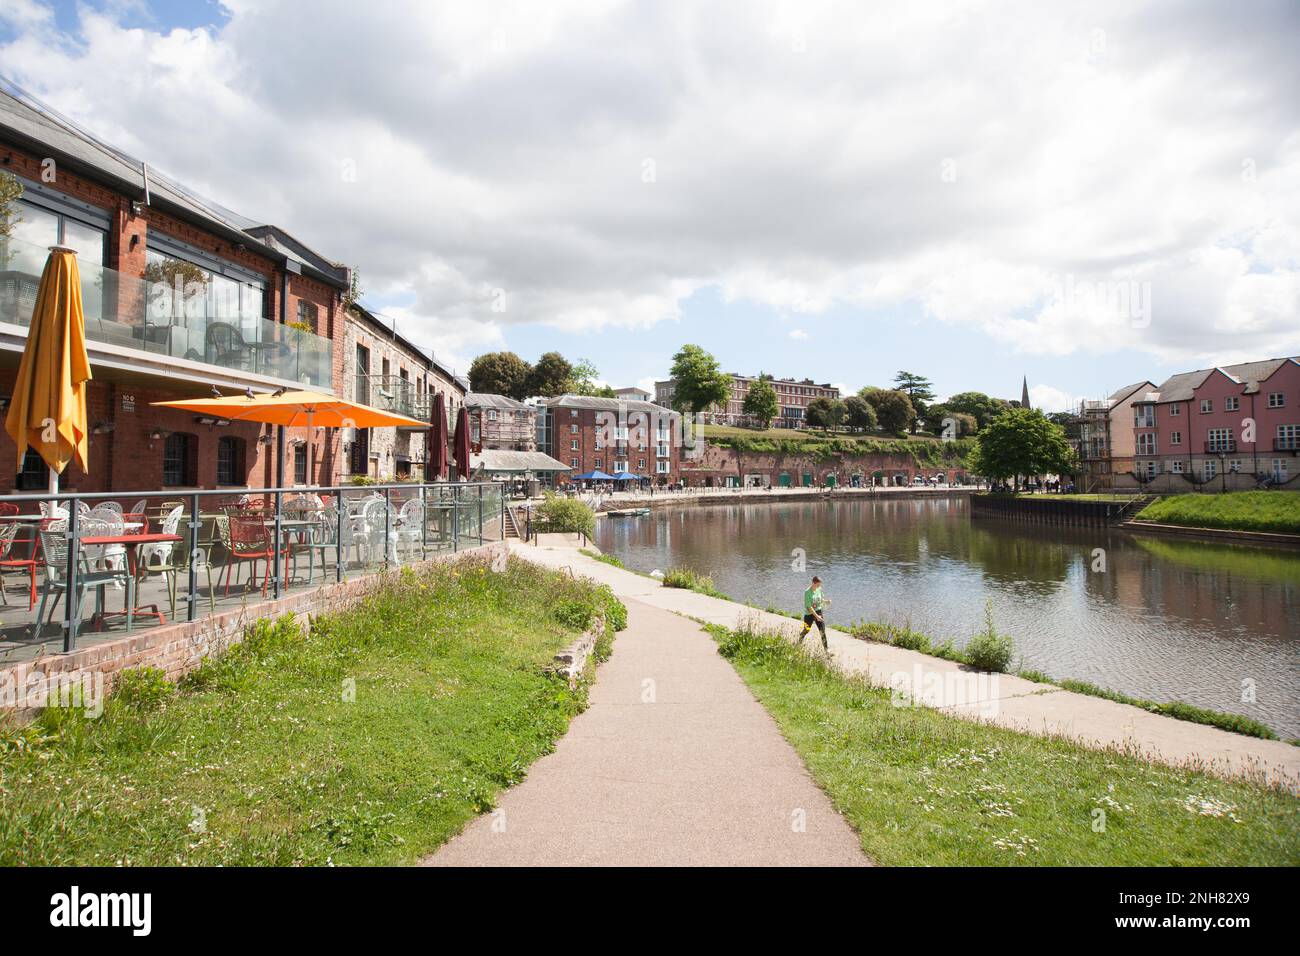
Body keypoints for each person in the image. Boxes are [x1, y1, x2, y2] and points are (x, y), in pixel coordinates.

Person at [798, 575, 830, 655]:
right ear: (813, 583)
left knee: (822, 631)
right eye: (817, 585)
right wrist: (816, 617)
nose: (819, 586)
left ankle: (826, 650)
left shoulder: (819, 589)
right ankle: (799, 641)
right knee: (806, 630)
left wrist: (826, 601)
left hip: (818, 611)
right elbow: (809, 607)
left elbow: (820, 600)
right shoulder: (807, 592)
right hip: (809, 614)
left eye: (819, 585)